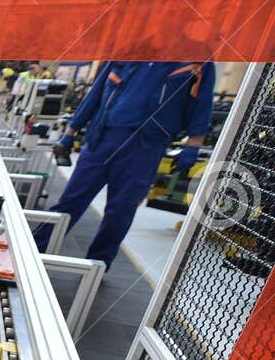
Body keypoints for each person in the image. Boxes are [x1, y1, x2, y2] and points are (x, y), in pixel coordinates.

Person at [35, 60, 214, 268]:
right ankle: (35, 249)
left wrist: (194, 144)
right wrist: (70, 132)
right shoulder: (130, 51)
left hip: (145, 146)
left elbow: (201, 103)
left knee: (120, 211)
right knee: (70, 200)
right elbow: (95, 94)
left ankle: (98, 265)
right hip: (102, 139)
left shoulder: (198, 61)